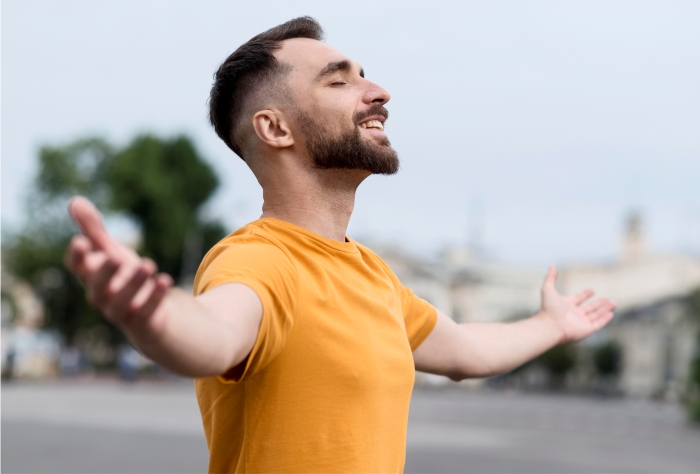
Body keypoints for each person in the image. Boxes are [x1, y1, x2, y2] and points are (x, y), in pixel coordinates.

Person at [65, 16, 616, 473]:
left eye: (364, 76)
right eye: (339, 81)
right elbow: (213, 335)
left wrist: (554, 325)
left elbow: (466, 352)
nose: (378, 93)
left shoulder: (372, 274)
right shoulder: (259, 260)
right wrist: (151, 316)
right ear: (276, 129)